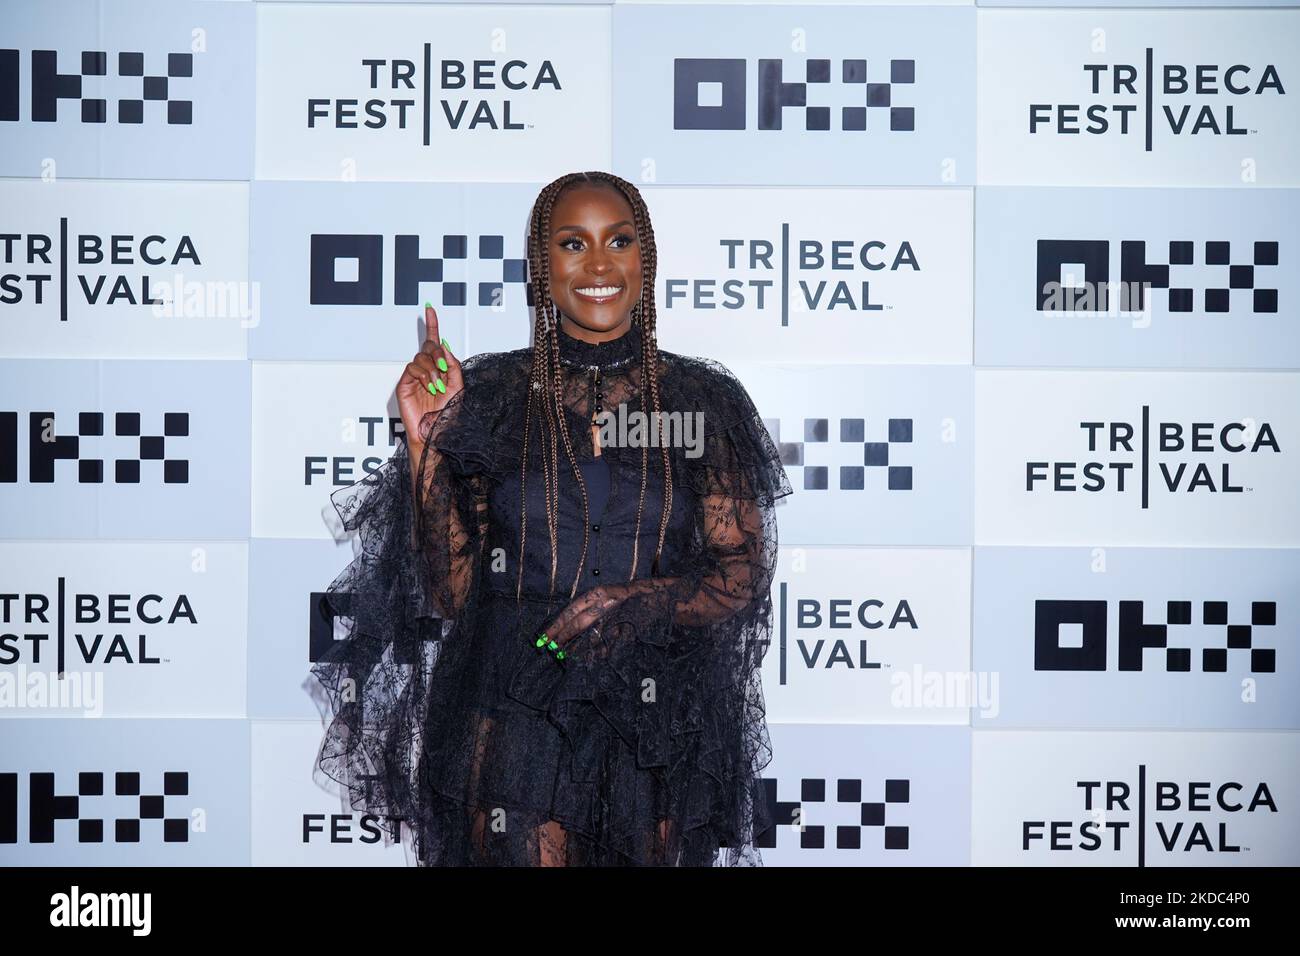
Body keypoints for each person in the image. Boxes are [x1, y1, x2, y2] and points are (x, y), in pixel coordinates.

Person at [310, 171, 792, 866]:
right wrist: (425, 447)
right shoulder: (493, 395)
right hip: (513, 711)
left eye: (618, 241)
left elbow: (739, 573)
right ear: (541, 269)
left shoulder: (703, 403)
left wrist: (642, 601)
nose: (599, 265)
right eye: (573, 244)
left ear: (644, 259)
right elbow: (449, 592)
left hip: (651, 721)